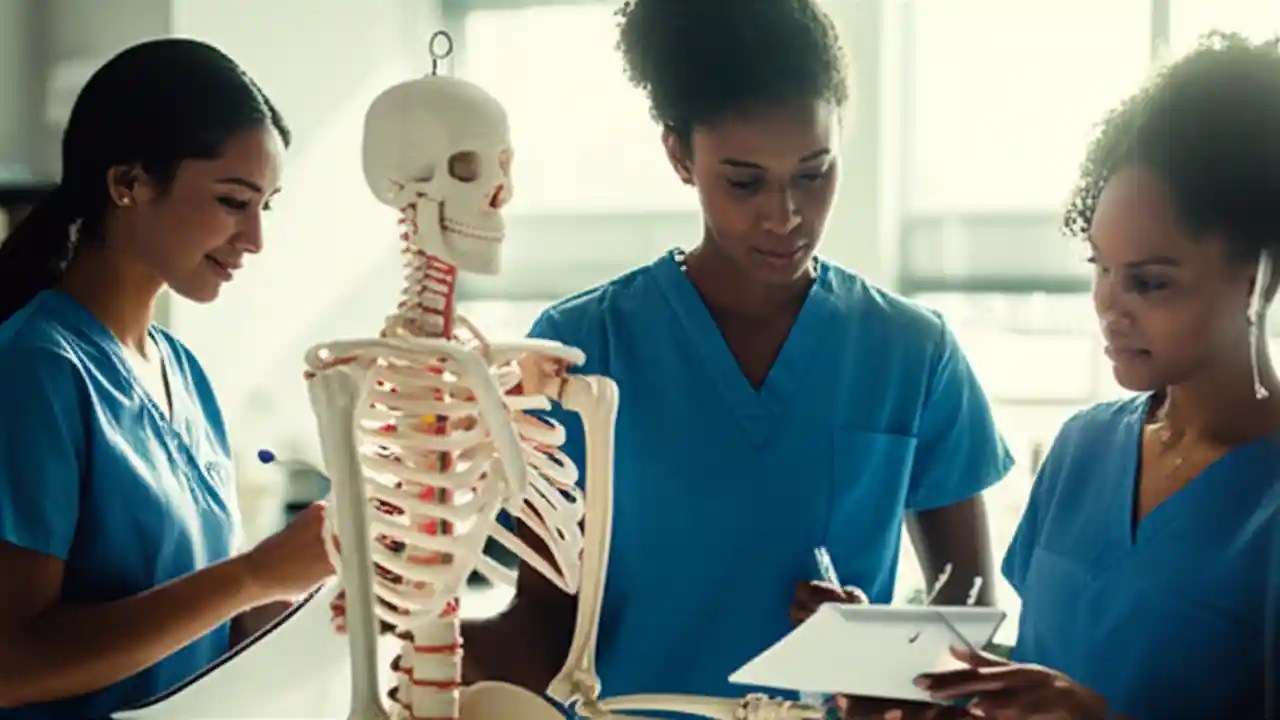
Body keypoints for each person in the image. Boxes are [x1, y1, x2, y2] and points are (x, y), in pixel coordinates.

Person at [459, 0, 1013, 713]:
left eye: (813, 174)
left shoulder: (913, 353)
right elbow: (544, 627)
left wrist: (874, 653)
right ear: (679, 155)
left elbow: (970, 622)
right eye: (745, 181)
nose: (784, 216)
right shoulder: (582, 348)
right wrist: (427, 635)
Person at [841, 32, 1280, 720]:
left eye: (1150, 282)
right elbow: (1036, 676)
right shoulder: (1083, 450)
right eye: (1100, 268)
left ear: (1253, 279)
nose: (1109, 305)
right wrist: (917, 689)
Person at [0, 39, 334, 719]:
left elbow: (204, 627)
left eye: (264, 205)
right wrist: (251, 575)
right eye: (233, 200)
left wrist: (316, 585)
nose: (254, 238)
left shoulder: (182, 373)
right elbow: (10, 660)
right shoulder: (35, 371)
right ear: (127, 183)